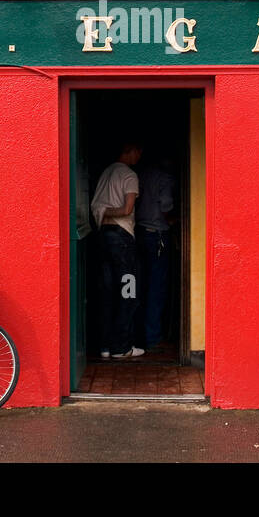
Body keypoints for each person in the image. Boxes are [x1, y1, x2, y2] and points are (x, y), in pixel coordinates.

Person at [90, 140, 143, 359]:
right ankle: (122, 347)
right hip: (122, 239)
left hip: (103, 237)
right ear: (129, 150)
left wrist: (103, 213)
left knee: (107, 292)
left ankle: (104, 347)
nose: (139, 157)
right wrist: (110, 212)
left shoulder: (106, 173)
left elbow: (95, 206)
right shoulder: (129, 175)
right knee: (127, 292)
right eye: (138, 152)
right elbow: (127, 209)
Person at [134, 154, 177, 351]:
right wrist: (173, 218)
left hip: (138, 232)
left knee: (139, 285)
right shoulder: (165, 178)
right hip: (157, 235)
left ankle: (138, 334)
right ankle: (153, 337)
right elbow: (166, 204)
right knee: (156, 287)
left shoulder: (140, 174)